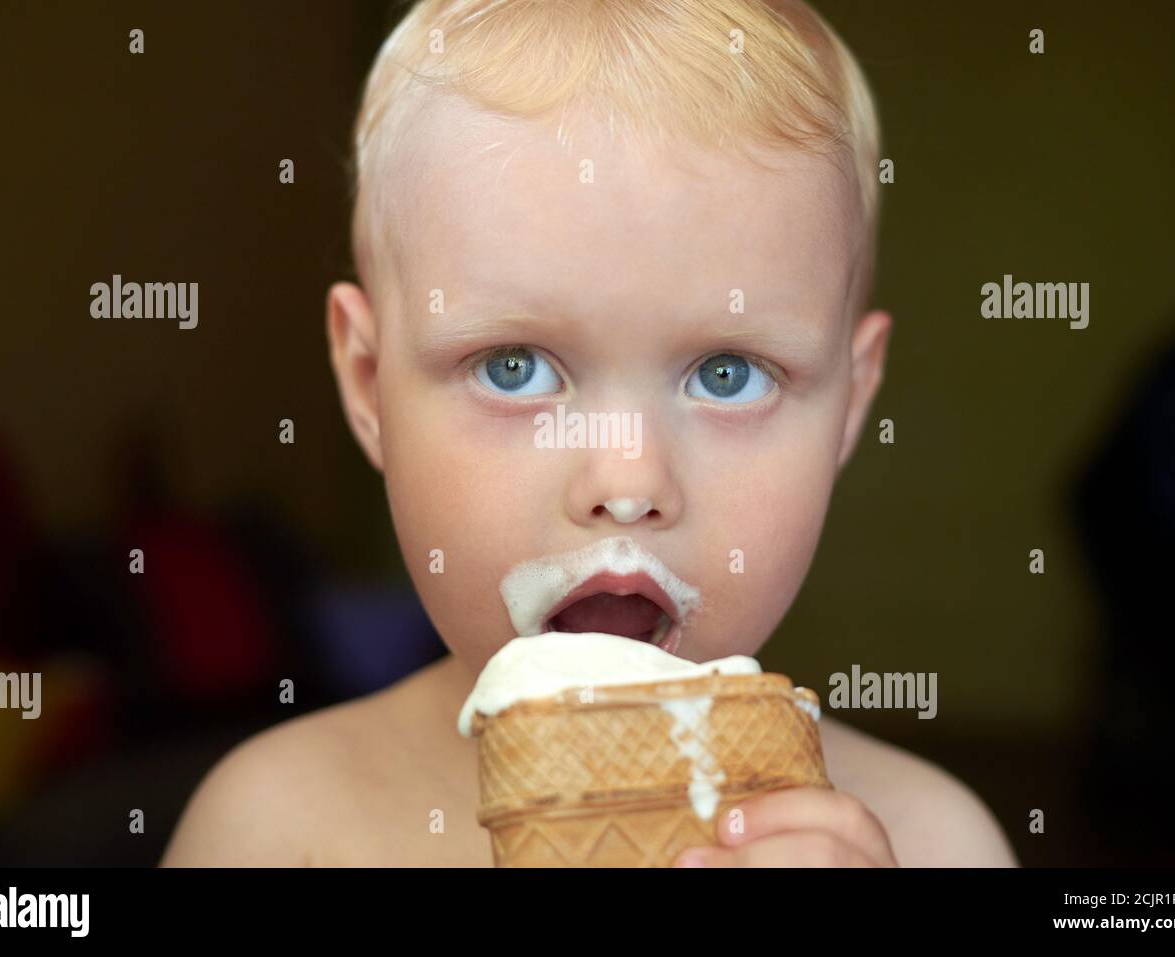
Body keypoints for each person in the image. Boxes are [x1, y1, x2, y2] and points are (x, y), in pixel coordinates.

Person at [162, 0, 1016, 867]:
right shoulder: (266, 829)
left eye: (728, 374)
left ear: (850, 401)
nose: (629, 480)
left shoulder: (938, 841)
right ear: (368, 384)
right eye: (514, 367)